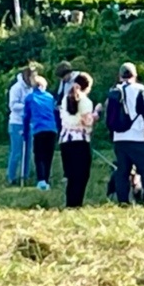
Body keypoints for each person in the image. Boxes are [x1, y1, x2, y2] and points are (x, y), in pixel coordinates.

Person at [106, 63, 144, 205]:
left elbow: (109, 118)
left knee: (123, 171)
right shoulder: (139, 89)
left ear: (120, 76)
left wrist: (112, 134)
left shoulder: (113, 91)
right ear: (134, 75)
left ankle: (123, 201)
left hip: (119, 138)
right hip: (137, 137)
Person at [58, 72, 95, 207]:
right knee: (82, 174)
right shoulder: (86, 101)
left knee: (71, 175)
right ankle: (77, 203)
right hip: (80, 141)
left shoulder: (64, 99)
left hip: (65, 141)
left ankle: (70, 203)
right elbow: (87, 122)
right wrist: (96, 114)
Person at [22, 74, 59, 191]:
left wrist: (25, 131)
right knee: (48, 156)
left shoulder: (30, 98)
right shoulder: (50, 97)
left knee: (39, 155)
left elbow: (26, 116)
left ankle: (41, 180)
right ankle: (46, 180)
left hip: (39, 129)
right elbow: (55, 113)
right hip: (52, 129)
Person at [5, 65, 37, 186]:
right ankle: (11, 177)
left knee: (28, 152)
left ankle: (25, 175)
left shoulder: (32, 89)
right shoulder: (16, 88)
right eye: (33, 77)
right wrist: (27, 106)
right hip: (17, 123)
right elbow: (12, 106)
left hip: (29, 123)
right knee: (17, 152)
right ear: (27, 76)